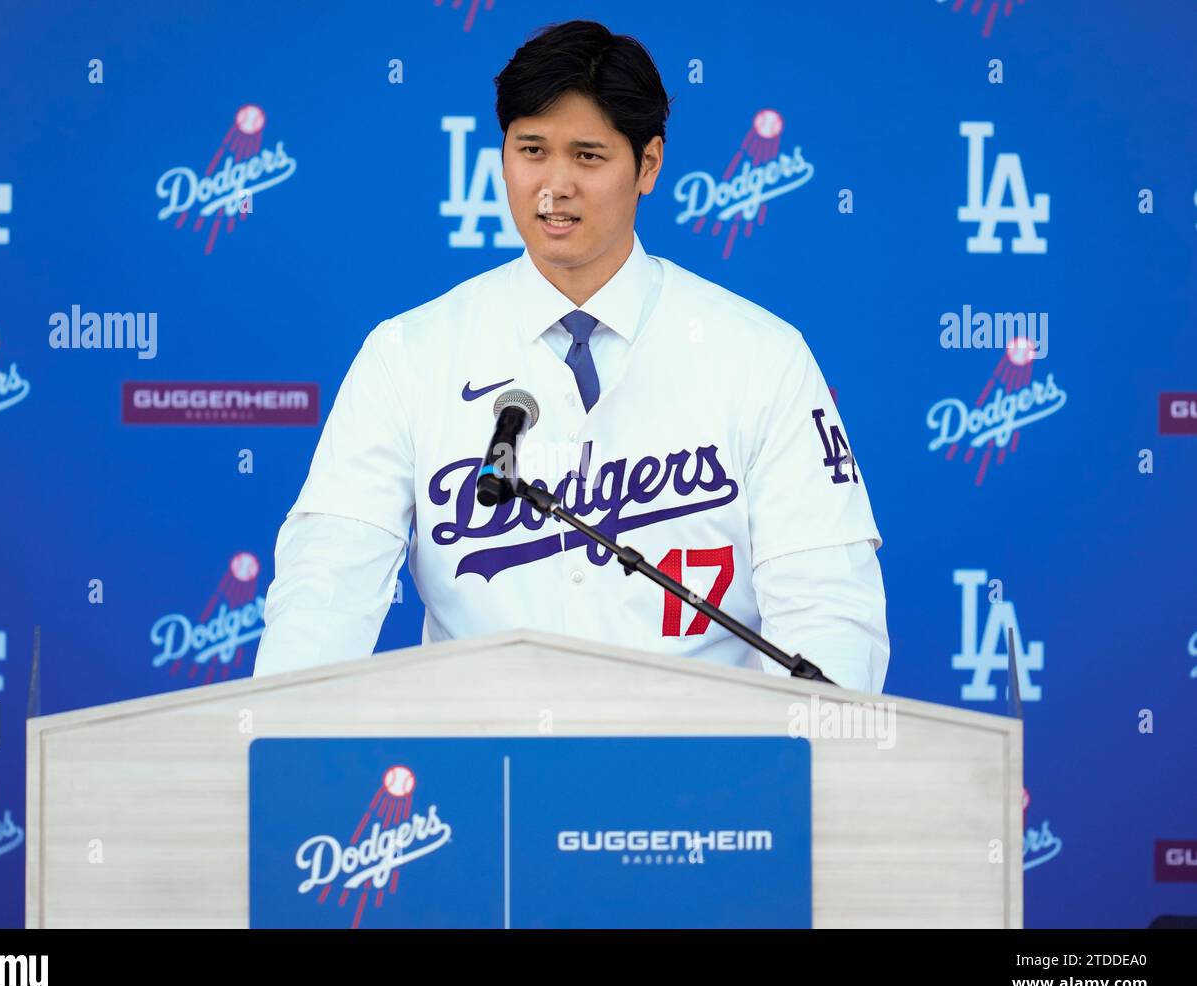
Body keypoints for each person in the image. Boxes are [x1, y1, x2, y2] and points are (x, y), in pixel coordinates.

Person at [253, 20, 889, 692]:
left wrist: (819, 766)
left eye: (587, 156)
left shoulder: (761, 356)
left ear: (648, 164)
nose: (554, 186)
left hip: (708, 773)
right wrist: (271, 744)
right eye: (531, 150)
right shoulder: (409, 355)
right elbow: (327, 585)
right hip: (477, 772)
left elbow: (826, 607)